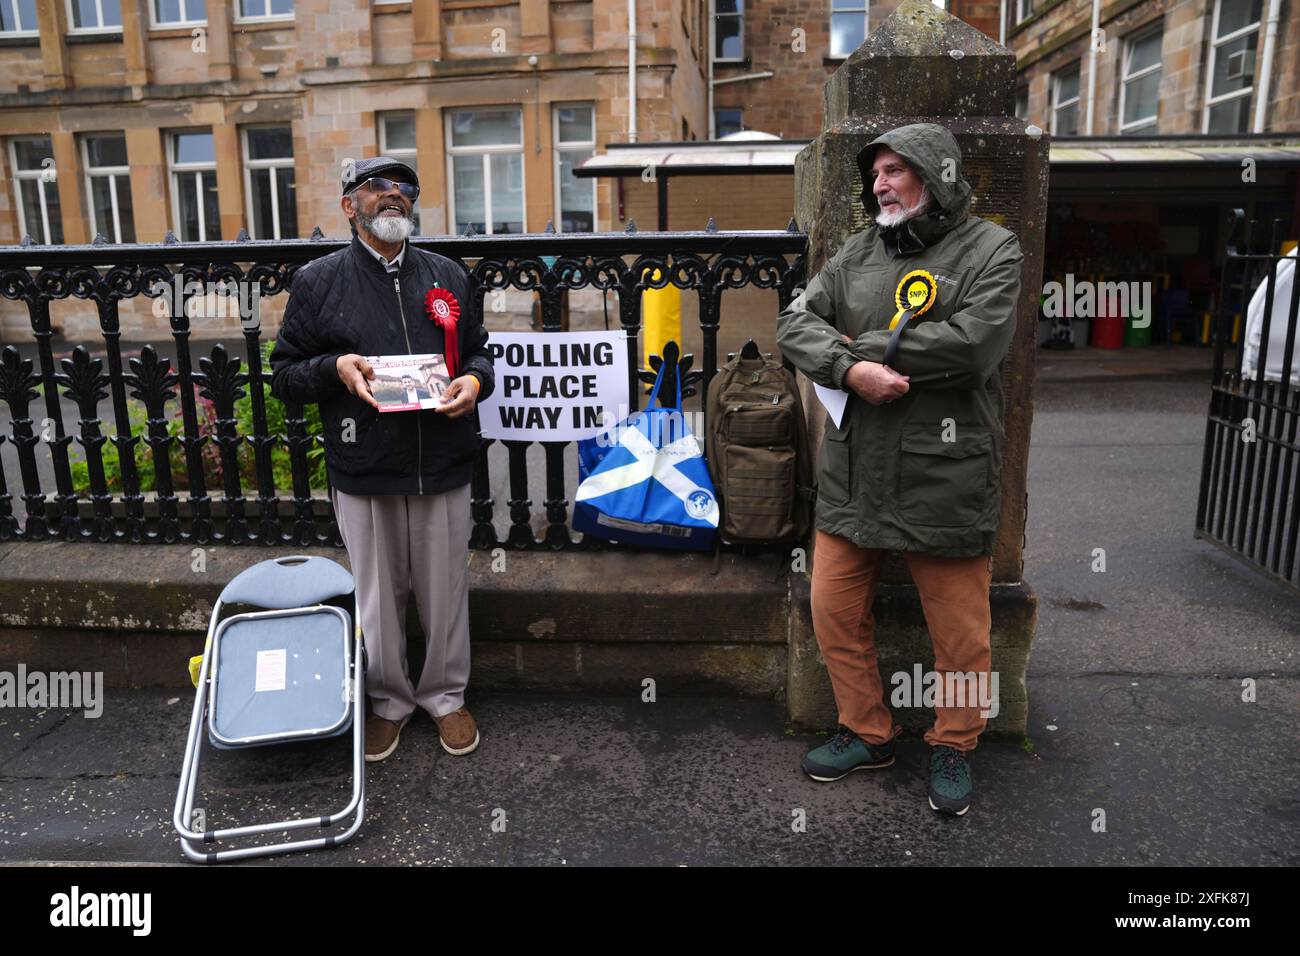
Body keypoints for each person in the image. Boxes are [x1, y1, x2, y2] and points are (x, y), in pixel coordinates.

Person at [776, 123, 1024, 815]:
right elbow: (795, 324)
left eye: (894, 171)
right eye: (875, 174)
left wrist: (876, 346)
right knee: (832, 610)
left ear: (935, 174)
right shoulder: (858, 251)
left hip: (945, 471)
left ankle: (956, 743)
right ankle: (867, 731)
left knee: (963, 637)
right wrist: (850, 367)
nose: (880, 185)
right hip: (856, 471)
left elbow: (975, 348)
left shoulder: (992, 248)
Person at [270, 156, 495, 762]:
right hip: (364, 462)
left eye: (404, 188)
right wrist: (334, 369)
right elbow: (285, 375)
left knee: (445, 588)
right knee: (376, 593)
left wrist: (473, 384)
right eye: (376, 187)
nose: (393, 196)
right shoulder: (318, 282)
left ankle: (446, 696)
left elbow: (478, 355)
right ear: (349, 206)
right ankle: (389, 701)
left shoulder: (446, 274)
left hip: (441, 459)